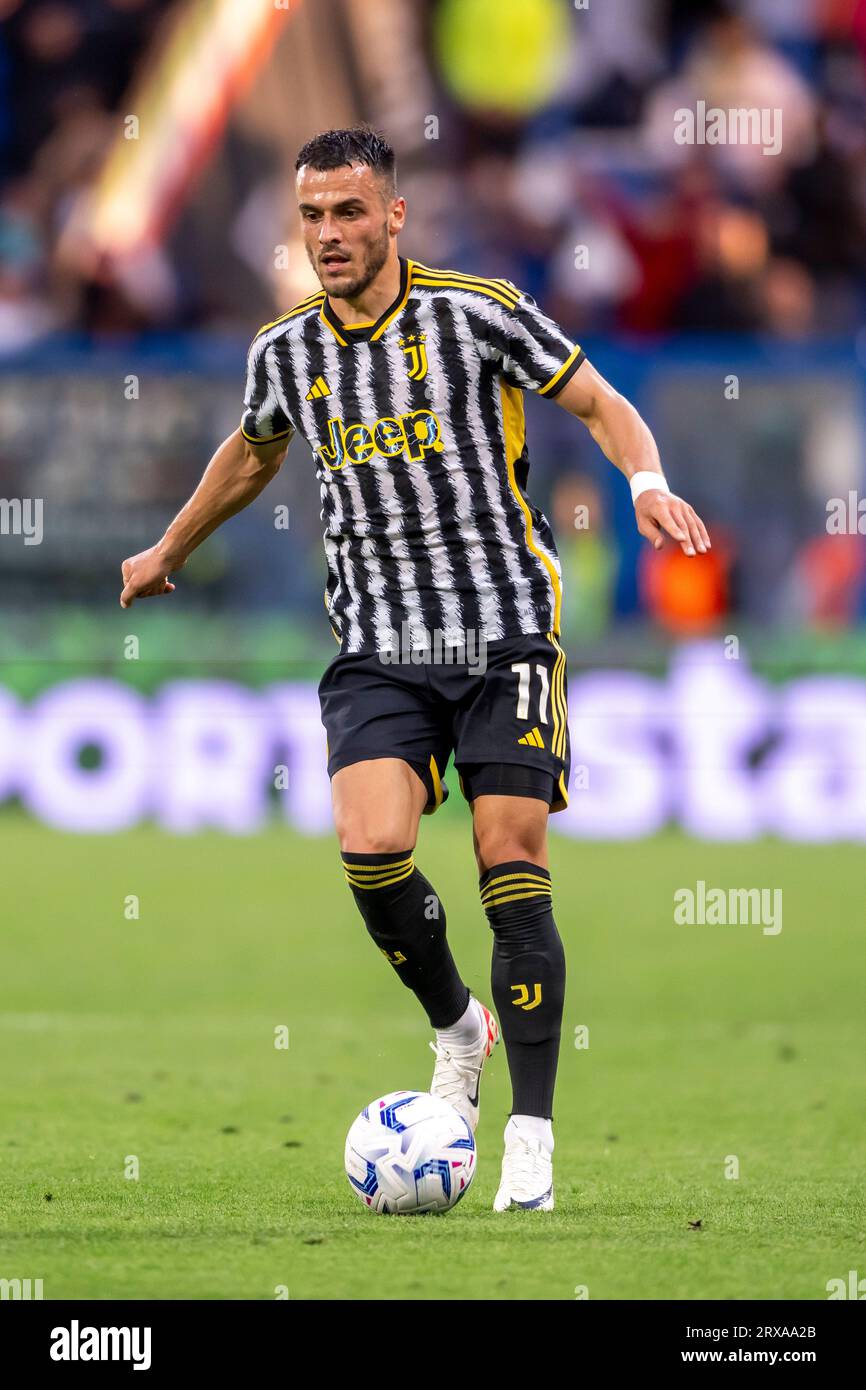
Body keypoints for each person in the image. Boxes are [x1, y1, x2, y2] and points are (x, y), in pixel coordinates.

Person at [120, 126, 710, 1212]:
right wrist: (171, 547)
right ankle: (455, 1026)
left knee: (507, 857)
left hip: (501, 634)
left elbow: (597, 401)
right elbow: (253, 448)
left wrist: (642, 483)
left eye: (349, 212)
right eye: (312, 216)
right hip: (380, 646)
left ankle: (527, 1134)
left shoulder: (475, 311)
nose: (329, 235)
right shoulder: (284, 350)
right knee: (371, 845)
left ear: (394, 215)